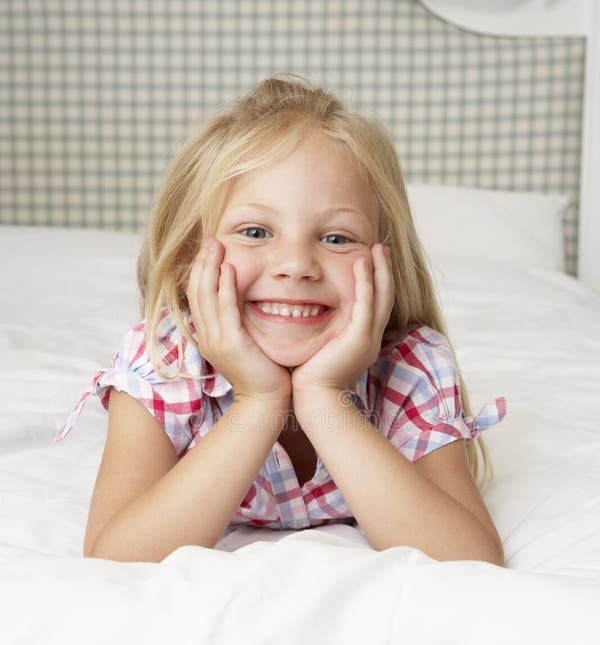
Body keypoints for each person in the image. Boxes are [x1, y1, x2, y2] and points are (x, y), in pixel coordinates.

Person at [57, 75, 506, 565]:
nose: (296, 264)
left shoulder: (410, 366)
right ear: (191, 257)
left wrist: (325, 399)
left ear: (385, 264)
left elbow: (471, 559)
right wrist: (258, 400)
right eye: (255, 231)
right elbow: (115, 554)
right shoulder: (164, 362)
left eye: (336, 238)